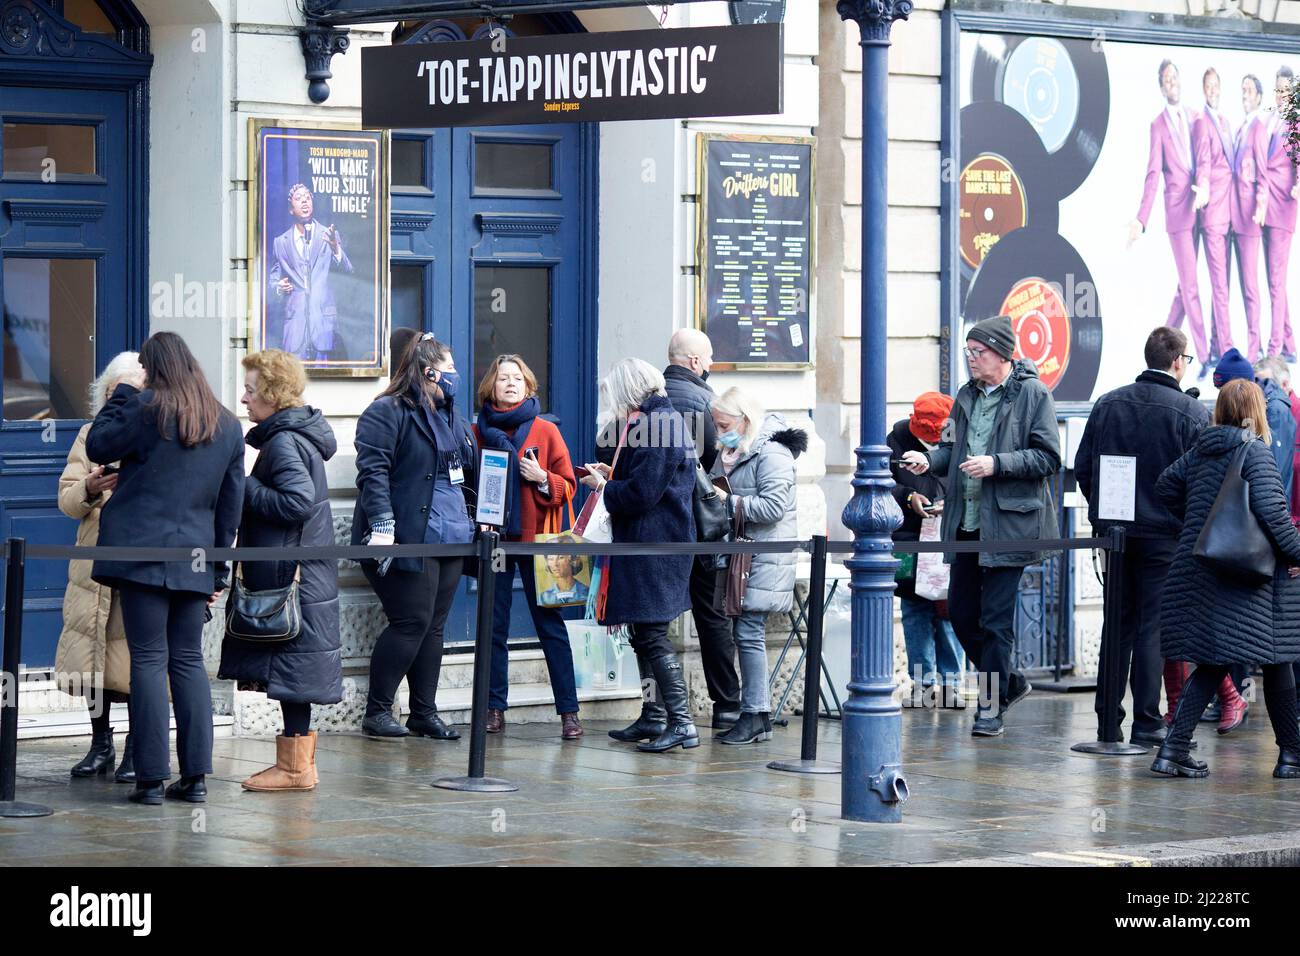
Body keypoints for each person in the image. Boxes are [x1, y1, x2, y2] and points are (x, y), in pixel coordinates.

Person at [86, 332, 245, 805]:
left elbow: (98, 444)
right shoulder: (228, 424)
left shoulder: (144, 407)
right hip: (195, 558)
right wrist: (219, 571)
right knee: (189, 661)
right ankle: (195, 779)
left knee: (150, 662)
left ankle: (150, 780)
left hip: (140, 556)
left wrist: (124, 395)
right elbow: (229, 508)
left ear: (153, 369)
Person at [901, 315, 1061, 738]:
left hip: (1011, 524)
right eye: (969, 352)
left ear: (1004, 354)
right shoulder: (965, 396)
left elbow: (1048, 457)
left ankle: (990, 707)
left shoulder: (1033, 394)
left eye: (980, 352)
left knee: (995, 621)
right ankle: (1008, 681)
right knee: (962, 613)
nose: (972, 359)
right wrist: (929, 460)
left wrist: (998, 464)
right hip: (965, 523)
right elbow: (950, 448)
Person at [1152, 379, 1300, 779]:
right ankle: (1288, 755)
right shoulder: (1255, 451)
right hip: (1243, 578)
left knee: (1250, 660)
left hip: (1203, 570)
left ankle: (1289, 753)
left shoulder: (1202, 449)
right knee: (1261, 660)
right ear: (1256, 411)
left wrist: (1200, 523)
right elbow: (1274, 517)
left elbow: (1165, 485)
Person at [1074, 328, 1209, 746]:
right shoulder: (1191, 412)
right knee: (1151, 628)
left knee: (1117, 626)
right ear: (1178, 361)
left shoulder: (1108, 403)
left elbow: (1083, 468)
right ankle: (1147, 722)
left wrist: (1102, 510)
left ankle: (1107, 720)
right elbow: (1200, 484)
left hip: (1115, 534)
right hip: (1165, 536)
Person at [218, 349, 341, 791]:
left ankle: (295, 768)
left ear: (271, 395)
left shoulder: (284, 441)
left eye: (251, 390)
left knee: (294, 671)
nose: (245, 399)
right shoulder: (289, 435)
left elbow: (295, 502)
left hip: (295, 577)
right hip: (302, 573)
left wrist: (244, 485)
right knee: (295, 671)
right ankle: (296, 764)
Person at [353, 334, 477, 740]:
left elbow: (468, 471)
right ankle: (377, 710)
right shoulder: (386, 411)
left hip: (452, 532)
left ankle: (424, 711)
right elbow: (373, 473)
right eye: (450, 366)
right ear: (428, 371)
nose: (456, 375)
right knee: (412, 621)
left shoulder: (451, 416)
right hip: (409, 534)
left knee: (435, 626)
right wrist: (384, 528)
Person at [583, 358, 698, 753]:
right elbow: (647, 484)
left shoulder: (658, 425)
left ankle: (681, 721)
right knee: (642, 634)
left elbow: (643, 494)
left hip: (656, 547)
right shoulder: (656, 422)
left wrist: (605, 487)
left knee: (651, 635)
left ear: (629, 391)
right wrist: (611, 476)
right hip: (650, 545)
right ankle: (654, 715)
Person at [474, 354, 582, 739]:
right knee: (494, 627)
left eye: (517, 377)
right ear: (492, 386)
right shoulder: (478, 430)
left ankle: (569, 712)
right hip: (497, 541)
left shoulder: (545, 430)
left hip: (538, 544)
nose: (510, 383)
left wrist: (542, 478)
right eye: (503, 378)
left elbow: (568, 485)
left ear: (528, 384)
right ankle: (493, 709)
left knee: (549, 626)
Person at [57, 352, 145, 783]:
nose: (120, 401)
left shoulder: (154, 433)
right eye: (113, 392)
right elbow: (67, 499)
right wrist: (89, 486)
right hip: (93, 563)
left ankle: (136, 748)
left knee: (130, 661)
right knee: (92, 660)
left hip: (135, 561)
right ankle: (100, 744)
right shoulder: (90, 435)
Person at [708, 387, 804, 744]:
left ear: (745, 420)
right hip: (740, 555)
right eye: (716, 425)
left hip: (763, 556)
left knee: (748, 633)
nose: (719, 433)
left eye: (724, 424)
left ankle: (755, 714)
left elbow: (772, 508)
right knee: (743, 633)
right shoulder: (731, 451)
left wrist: (728, 501)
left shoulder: (773, 453)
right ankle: (755, 715)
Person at [661, 328, 741, 731]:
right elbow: (724, 461)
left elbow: (609, 447)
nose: (710, 367)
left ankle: (656, 709)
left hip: (656, 527)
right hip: (702, 525)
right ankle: (727, 705)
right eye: (707, 359)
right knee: (712, 618)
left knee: (652, 624)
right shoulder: (709, 403)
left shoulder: (647, 401)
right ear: (694, 362)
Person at [1129, 60, 1210, 373]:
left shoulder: (1194, 117)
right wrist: (1142, 218)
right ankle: (1206, 356)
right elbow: (1152, 174)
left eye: (1175, 76)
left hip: (1200, 208)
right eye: (1167, 79)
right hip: (1177, 213)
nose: (1172, 82)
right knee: (1190, 287)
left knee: (1183, 289)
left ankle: (1161, 350)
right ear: (1161, 86)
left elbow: (1204, 157)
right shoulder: (1157, 125)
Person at [888, 391, 965, 699]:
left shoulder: (957, 437)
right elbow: (880, 481)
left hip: (948, 534)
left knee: (949, 610)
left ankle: (951, 683)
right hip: (909, 536)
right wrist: (909, 497)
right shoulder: (895, 439)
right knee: (915, 611)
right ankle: (924, 683)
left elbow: (968, 478)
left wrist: (952, 502)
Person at [268, 184, 353, 362]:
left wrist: (335, 248)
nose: (304, 201)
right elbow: (273, 282)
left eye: (307, 197)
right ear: (291, 209)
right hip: (295, 327)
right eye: (299, 199)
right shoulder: (280, 243)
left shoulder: (329, 235)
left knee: (326, 378)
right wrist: (278, 287)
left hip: (323, 324)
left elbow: (348, 271)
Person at [1262, 67, 1299, 362]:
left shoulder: (1296, 124)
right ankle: (1287, 343)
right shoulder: (1272, 120)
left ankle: (1274, 350)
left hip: (1283, 207)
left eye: (1285, 90)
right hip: (1265, 208)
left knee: (1276, 279)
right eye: (1277, 90)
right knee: (1275, 279)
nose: (1280, 95)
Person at [1232, 74, 1269, 363]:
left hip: (1249, 220)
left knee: (1251, 286)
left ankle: (1254, 345)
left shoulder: (1258, 128)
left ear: (1258, 96)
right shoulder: (1243, 126)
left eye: (1249, 90)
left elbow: (1263, 174)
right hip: (1233, 216)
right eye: (1242, 89)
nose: (1244, 94)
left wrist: (1259, 206)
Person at [540, 541, 589, 607]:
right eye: (551, 559)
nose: (555, 564)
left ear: (572, 560)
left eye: (561, 557)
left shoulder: (587, 592)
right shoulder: (544, 597)